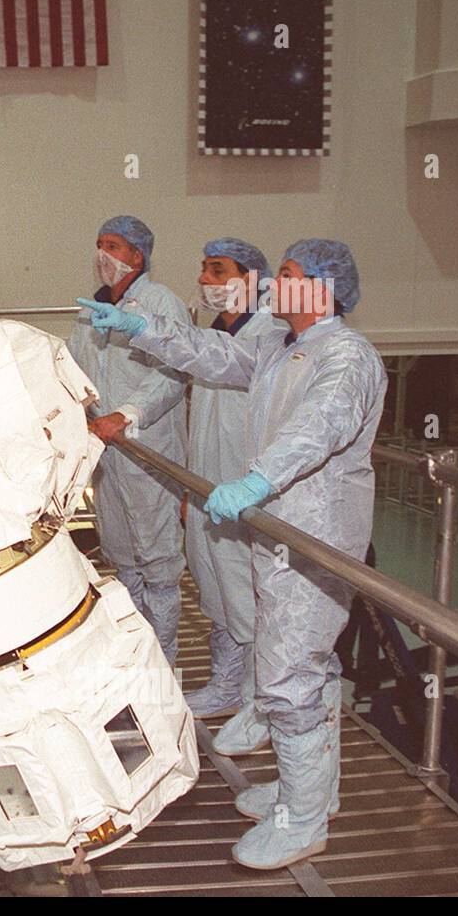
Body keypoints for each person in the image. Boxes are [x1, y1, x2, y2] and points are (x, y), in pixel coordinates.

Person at [78, 239, 387, 871]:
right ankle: (313, 793)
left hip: (314, 535)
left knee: (286, 672)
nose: (276, 284)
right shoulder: (281, 344)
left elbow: (319, 429)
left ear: (323, 290)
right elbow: (215, 356)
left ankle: (301, 822)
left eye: (292, 276)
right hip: (281, 528)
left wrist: (256, 480)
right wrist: (143, 327)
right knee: (307, 665)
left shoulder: (347, 357)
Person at [67, 216, 189, 665]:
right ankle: (137, 656)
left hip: (147, 450)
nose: (103, 254)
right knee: (121, 556)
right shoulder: (91, 308)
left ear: (138, 256)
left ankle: (164, 666)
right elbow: (73, 368)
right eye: (99, 244)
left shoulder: (161, 304)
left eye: (114, 245)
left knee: (157, 563)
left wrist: (125, 414)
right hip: (106, 453)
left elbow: (173, 371)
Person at [182, 239, 277, 719]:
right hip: (206, 489)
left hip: (245, 493)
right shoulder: (210, 337)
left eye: (217, 271)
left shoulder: (270, 337)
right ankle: (226, 685)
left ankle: (256, 697)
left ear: (251, 280)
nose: (205, 280)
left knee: (245, 595)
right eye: (203, 269)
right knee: (215, 590)